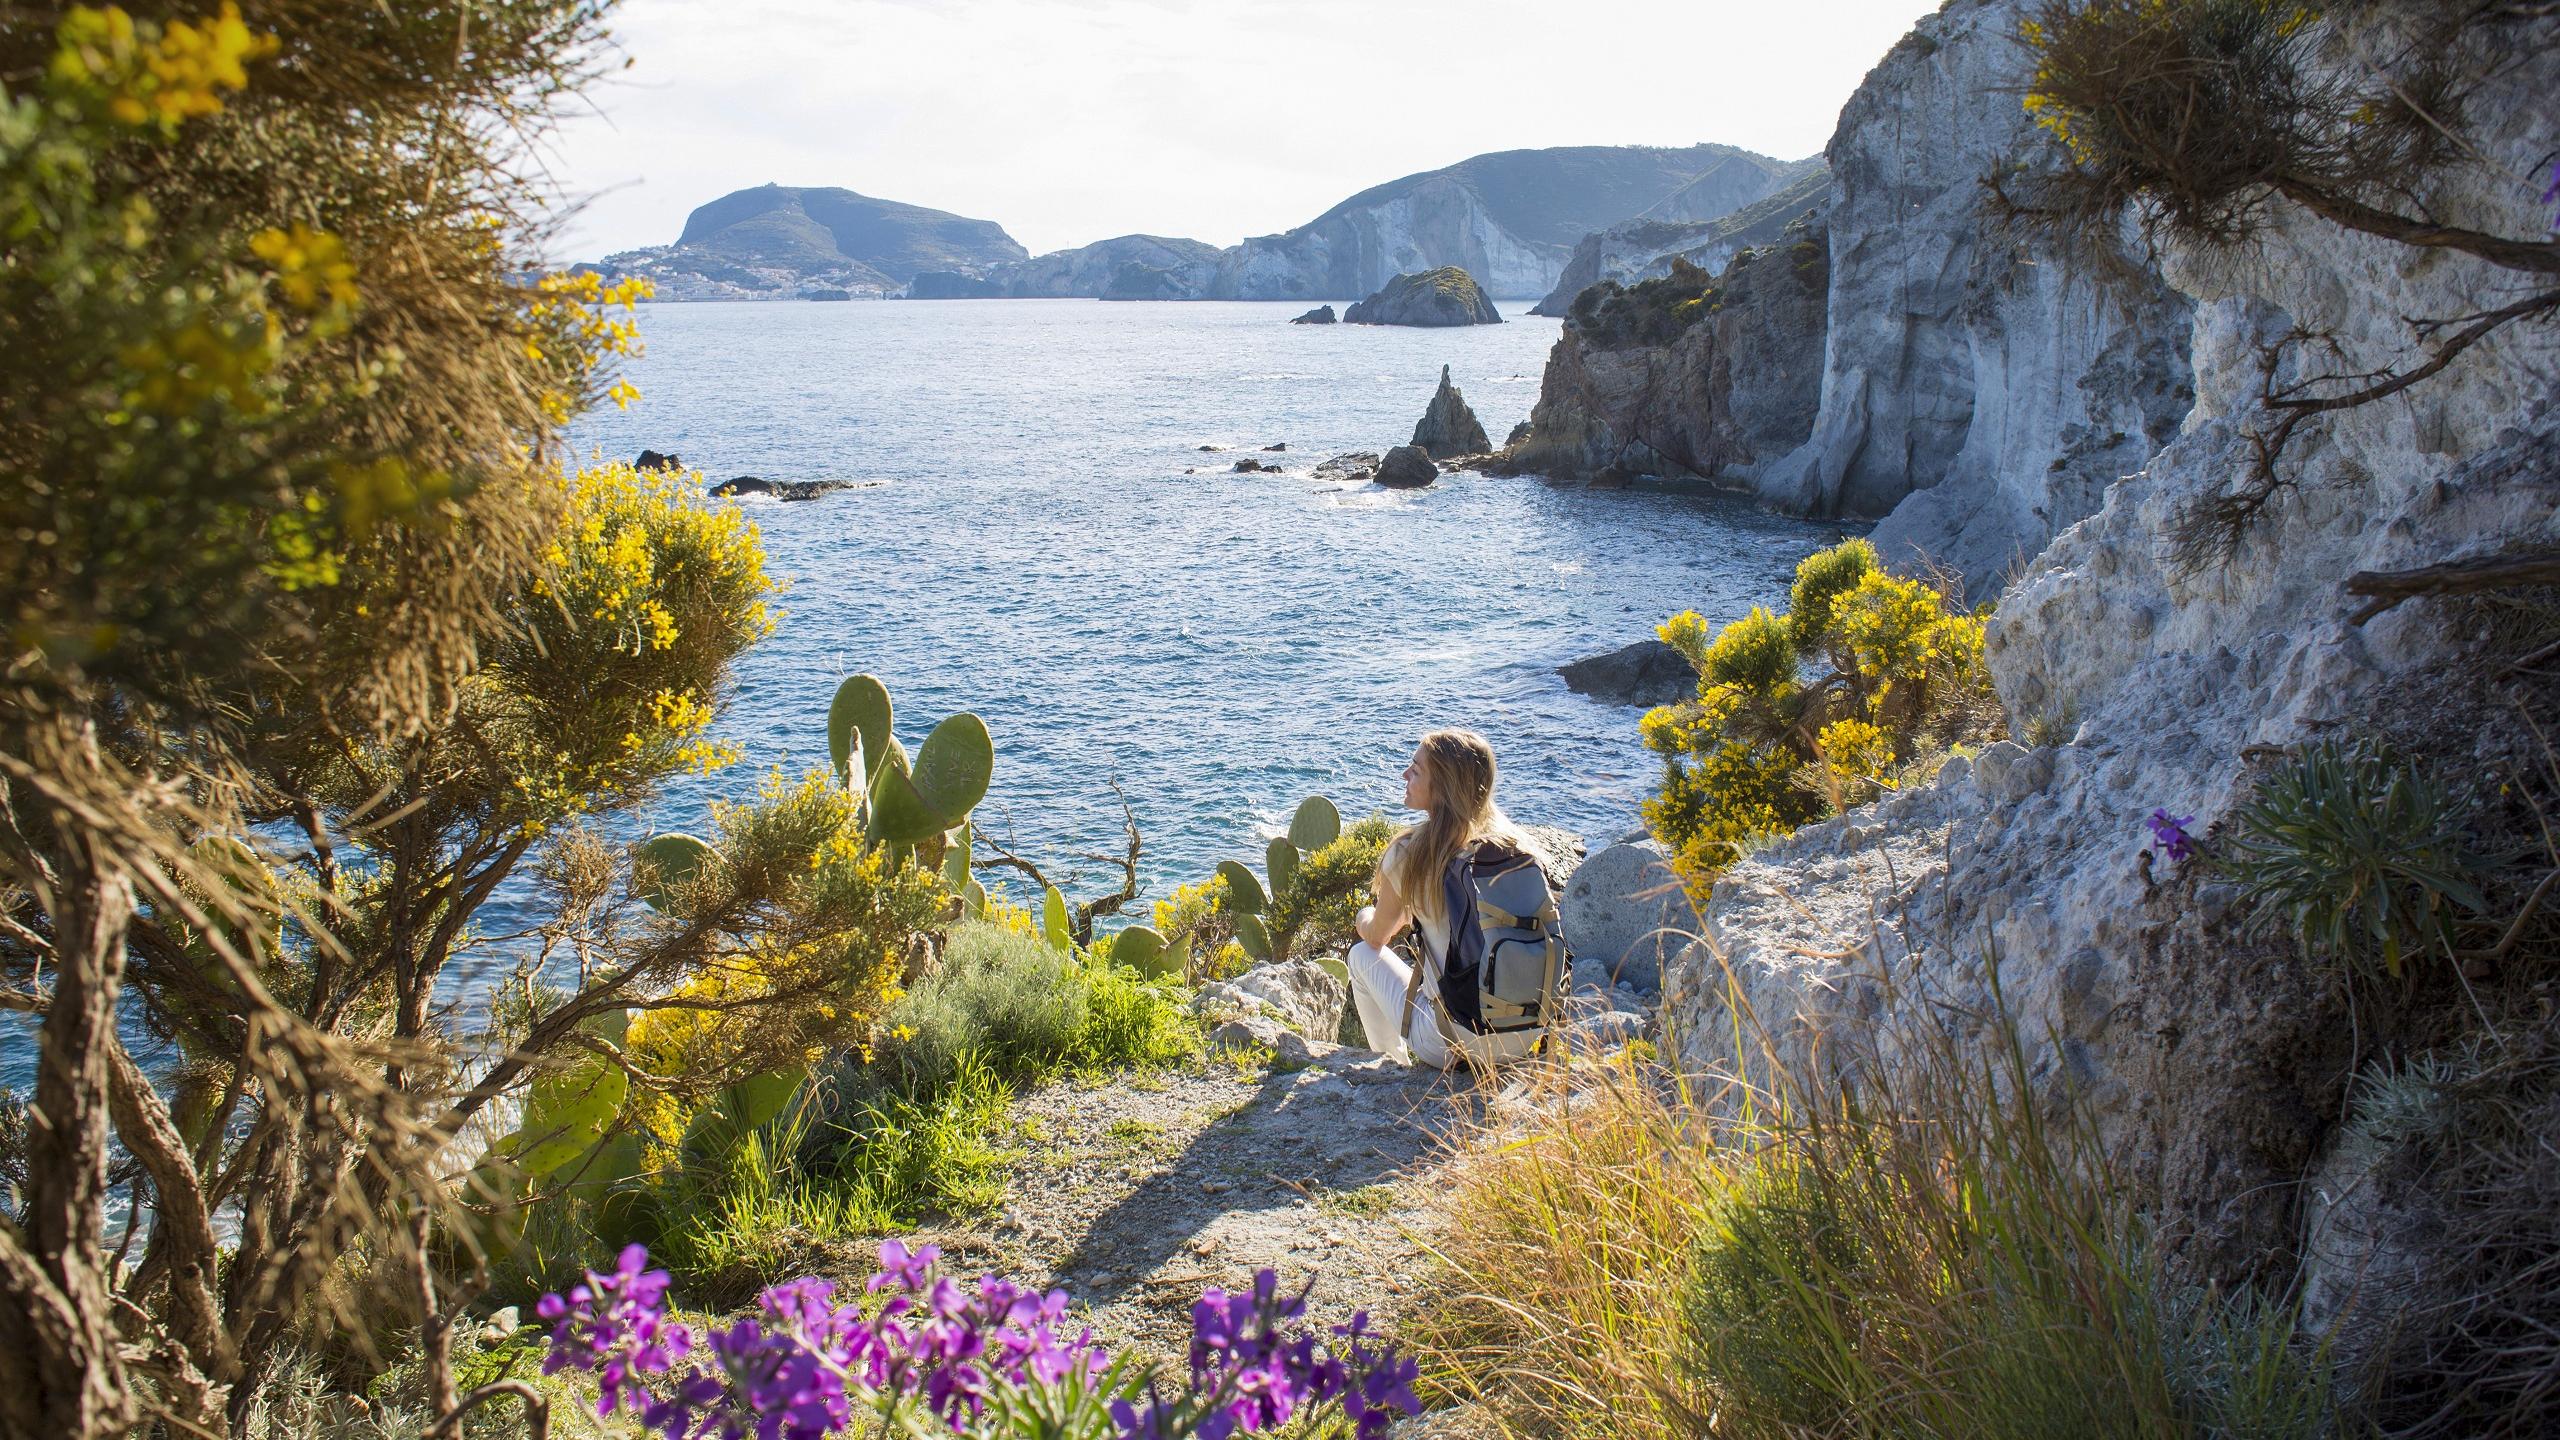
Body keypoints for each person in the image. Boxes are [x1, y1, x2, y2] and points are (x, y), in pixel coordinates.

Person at [1348, 728, 1536, 1067]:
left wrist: (1363, 916)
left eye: (1416, 770)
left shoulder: (1410, 854)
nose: (1405, 774)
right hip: (1527, 1036)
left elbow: (1377, 936)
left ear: (1443, 788)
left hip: (1454, 1042)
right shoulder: (1518, 848)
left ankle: (1391, 1065)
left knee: (1362, 955)